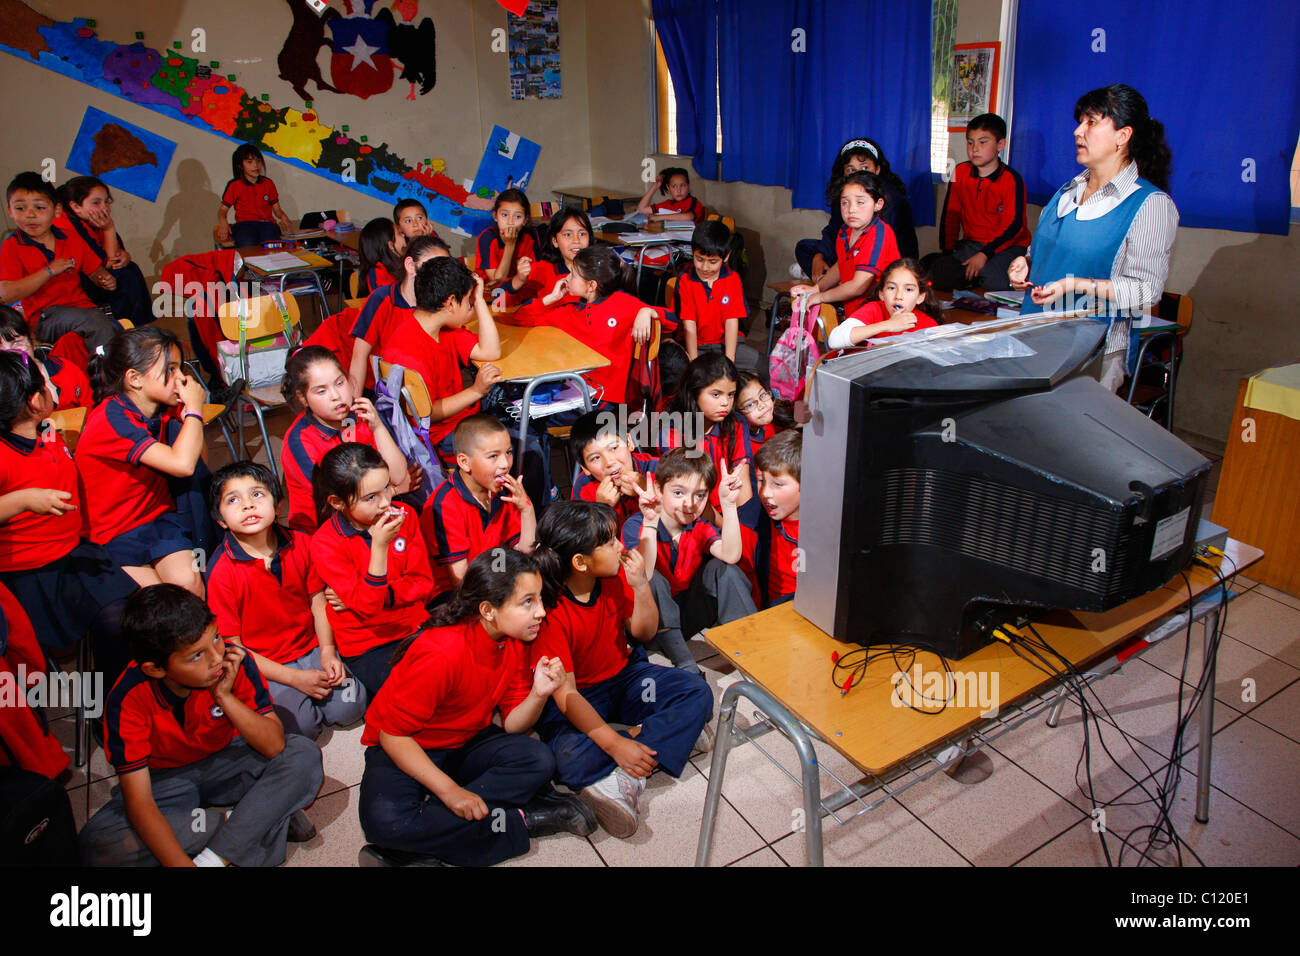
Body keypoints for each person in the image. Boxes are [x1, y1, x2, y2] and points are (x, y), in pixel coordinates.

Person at [357, 548, 596, 867]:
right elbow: (393, 737)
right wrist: (451, 792)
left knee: (537, 759)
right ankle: (525, 821)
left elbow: (512, 724)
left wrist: (539, 693)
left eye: (539, 600)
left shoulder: (511, 640)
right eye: (528, 602)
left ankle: (415, 848)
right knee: (384, 821)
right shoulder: (441, 653)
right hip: (407, 747)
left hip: (462, 740)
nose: (541, 612)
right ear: (488, 610)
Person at [79, 584, 323, 867]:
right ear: (155, 669)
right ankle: (252, 820)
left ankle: (217, 853)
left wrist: (225, 696)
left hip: (232, 760)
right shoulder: (127, 698)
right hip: (167, 780)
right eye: (196, 655)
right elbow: (141, 802)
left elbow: (274, 745)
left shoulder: (234, 659)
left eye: (216, 638)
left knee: (302, 754)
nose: (216, 658)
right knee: (99, 844)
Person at [532, 500, 712, 837]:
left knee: (697, 691)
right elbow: (566, 695)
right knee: (567, 758)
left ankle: (627, 769)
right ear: (580, 562)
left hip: (627, 678)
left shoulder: (614, 578)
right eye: (610, 541)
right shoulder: (550, 611)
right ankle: (662, 738)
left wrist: (641, 585)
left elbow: (643, 633)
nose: (621, 546)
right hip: (579, 698)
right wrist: (616, 744)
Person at [1009, 84, 1178, 393]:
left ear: (1122, 136)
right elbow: (1039, 251)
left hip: (1090, 349)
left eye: (1091, 122)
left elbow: (1147, 291)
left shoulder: (1150, 205)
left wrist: (1075, 285)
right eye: (1079, 121)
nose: (1078, 132)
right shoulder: (1067, 191)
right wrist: (1024, 263)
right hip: (1034, 332)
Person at [0, 350, 136, 680]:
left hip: (73, 553)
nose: (54, 387)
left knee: (133, 619)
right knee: (111, 624)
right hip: (27, 573)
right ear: (34, 401)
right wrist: (23, 500)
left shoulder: (46, 431)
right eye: (46, 383)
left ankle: (115, 698)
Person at [206, 461, 367, 738]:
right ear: (221, 520)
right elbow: (234, 647)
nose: (248, 505)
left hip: (311, 647)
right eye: (234, 500)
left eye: (257, 494)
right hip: (266, 664)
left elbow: (318, 601)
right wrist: (294, 679)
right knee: (301, 727)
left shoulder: (301, 543)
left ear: (277, 506)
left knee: (352, 706)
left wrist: (327, 651)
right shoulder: (220, 571)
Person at [74, 327, 207, 595]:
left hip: (157, 519)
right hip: (112, 533)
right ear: (134, 378)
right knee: (160, 601)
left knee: (188, 585)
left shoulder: (163, 407)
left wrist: (187, 416)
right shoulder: (111, 418)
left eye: (180, 368)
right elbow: (182, 465)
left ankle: (208, 637)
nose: (181, 378)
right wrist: (194, 410)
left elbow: (197, 462)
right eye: (170, 370)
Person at [309, 442, 433, 698]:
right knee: (411, 695)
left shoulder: (405, 514)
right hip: (366, 643)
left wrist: (374, 596)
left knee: (453, 675)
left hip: (413, 625)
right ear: (337, 502)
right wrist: (379, 548)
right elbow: (368, 606)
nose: (386, 502)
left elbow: (423, 582)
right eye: (370, 497)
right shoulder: (325, 543)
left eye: (387, 487)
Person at [621, 448, 756, 674]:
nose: (690, 503)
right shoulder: (636, 525)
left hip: (686, 614)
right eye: (678, 493)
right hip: (651, 626)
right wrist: (651, 524)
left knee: (725, 569)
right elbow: (645, 574)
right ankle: (685, 663)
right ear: (657, 489)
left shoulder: (698, 526)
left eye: (700, 495)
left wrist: (729, 506)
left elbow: (732, 555)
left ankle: (752, 644)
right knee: (654, 581)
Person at [380, 257, 503, 468]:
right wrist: (476, 391)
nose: (470, 309)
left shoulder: (441, 327)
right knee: (523, 442)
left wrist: (480, 300)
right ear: (451, 302)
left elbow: (491, 351)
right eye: (469, 302)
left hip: (461, 417)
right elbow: (427, 413)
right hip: (440, 437)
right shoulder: (408, 351)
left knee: (525, 418)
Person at [280, 345, 412, 532]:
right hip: (326, 530)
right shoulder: (299, 442)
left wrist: (378, 427)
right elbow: (342, 501)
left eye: (340, 383)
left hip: (369, 512)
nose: (336, 396)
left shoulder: (358, 415)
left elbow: (399, 475)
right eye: (321, 391)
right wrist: (392, 490)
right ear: (302, 398)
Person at [421, 414, 536, 603]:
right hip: (455, 595)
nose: (505, 464)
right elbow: (460, 580)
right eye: (493, 456)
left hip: (498, 579)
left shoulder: (506, 492)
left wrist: (526, 510)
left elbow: (526, 552)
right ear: (464, 462)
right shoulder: (445, 505)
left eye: (508, 452)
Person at [0, 172, 120, 352]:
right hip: (44, 317)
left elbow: (94, 271)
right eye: (20, 208)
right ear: (9, 210)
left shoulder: (70, 238)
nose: (30, 215)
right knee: (98, 324)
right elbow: (7, 294)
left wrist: (105, 279)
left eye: (39, 208)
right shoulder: (12, 246)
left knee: (117, 328)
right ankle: (111, 378)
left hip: (83, 310)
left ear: (56, 210)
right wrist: (49, 271)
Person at [927, 114, 1031, 292]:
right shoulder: (961, 171)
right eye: (970, 142)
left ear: (1000, 145)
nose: (975, 149)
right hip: (972, 245)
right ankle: (970, 277)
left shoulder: (1011, 179)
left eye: (983, 142)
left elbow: (1014, 227)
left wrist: (984, 254)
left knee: (994, 279)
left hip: (1006, 247)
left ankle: (973, 277)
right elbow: (950, 215)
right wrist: (947, 253)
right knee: (934, 270)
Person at [795, 138, 918, 280]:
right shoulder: (846, 192)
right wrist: (819, 256)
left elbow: (877, 248)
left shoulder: (889, 200)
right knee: (805, 247)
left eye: (865, 168)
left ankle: (837, 285)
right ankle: (828, 279)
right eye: (851, 170)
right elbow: (834, 231)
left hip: (883, 265)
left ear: (877, 169)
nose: (859, 175)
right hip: (852, 253)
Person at [664, 353, 758, 527]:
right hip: (692, 514)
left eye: (731, 395)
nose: (725, 403)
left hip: (729, 510)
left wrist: (744, 529)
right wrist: (729, 532)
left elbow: (742, 481)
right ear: (694, 392)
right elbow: (691, 497)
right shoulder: (673, 429)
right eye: (716, 394)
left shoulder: (736, 424)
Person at [347, 234, 449, 395]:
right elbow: (359, 356)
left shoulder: (442, 303)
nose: (438, 276)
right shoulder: (381, 299)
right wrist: (354, 408)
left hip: (428, 389)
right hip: (386, 392)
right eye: (432, 266)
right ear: (410, 265)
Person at [790, 171, 901, 316]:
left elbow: (858, 287)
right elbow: (841, 266)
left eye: (860, 202)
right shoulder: (845, 232)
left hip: (882, 315)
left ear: (878, 204)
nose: (851, 209)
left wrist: (821, 297)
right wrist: (817, 289)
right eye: (845, 202)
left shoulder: (878, 233)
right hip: (857, 312)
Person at [54, 175, 153, 326]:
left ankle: (140, 326)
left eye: (106, 201)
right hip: (73, 283)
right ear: (75, 207)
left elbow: (116, 255)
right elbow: (107, 263)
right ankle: (130, 329)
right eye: (96, 203)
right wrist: (109, 228)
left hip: (97, 275)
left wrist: (125, 256)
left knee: (130, 268)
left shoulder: (92, 221)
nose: (104, 207)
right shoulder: (67, 225)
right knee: (124, 276)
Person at [673, 219, 756, 367]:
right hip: (694, 346)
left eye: (713, 262)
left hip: (723, 345)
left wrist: (729, 362)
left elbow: (731, 322)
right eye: (699, 259)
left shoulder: (733, 279)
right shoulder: (685, 279)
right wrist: (694, 362)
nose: (705, 267)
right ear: (692, 252)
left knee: (762, 365)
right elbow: (689, 326)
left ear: (726, 257)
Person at [826, 257, 942, 350]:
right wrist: (888, 325)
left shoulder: (927, 324)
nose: (898, 296)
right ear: (881, 293)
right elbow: (835, 340)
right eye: (891, 288)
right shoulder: (874, 309)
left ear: (920, 297)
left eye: (908, 289)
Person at [568, 410, 658, 527]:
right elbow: (582, 538)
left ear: (629, 442)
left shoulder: (657, 469)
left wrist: (647, 489)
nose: (609, 462)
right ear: (585, 468)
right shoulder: (583, 487)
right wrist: (601, 510)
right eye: (595, 458)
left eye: (614, 448)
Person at [0, 305, 91, 411]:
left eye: (16, 342)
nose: (10, 353)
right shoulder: (5, 396)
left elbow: (92, 410)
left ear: (32, 342)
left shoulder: (64, 369)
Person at [752, 429, 802, 607]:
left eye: (778, 484)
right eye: (761, 480)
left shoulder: (825, 528)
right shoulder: (757, 518)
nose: (765, 493)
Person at [511, 205, 590, 316]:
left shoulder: (598, 271)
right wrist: (550, 298)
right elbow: (516, 313)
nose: (576, 240)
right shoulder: (540, 270)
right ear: (555, 241)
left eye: (582, 234)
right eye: (568, 234)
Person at [216, 143, 293, 247]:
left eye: (258, 161)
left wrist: (283, 217)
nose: (255, 165)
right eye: (249, 162)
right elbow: (223, 210)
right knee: (247, 242)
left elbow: (277, 209)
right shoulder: (235, 185)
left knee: (270, 241)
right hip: (244, 225)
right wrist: (223, 222)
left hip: (267, 223)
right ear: (240, 165)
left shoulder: (268, 183)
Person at [475, 188, 538, 296]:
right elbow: (498, 280)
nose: (510, 222)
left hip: (518, 290)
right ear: (495, 216)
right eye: (504, 215)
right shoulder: (487, 238)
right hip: (489, 295)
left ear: (525, 220)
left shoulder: (528, 237)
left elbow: (530, 274)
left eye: (517, 216)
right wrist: (510, 244)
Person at [355, 217, 405, 297]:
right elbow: (388, 300)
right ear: (391, 245)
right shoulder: (377, 272)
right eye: (399, 233)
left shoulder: (396, 264)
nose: (403, 235)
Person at [636, 167, 705, 223]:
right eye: (674, 186)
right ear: (668, 187)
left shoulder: (694, 202)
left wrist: (658, 217)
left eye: (682, 185)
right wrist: (655, 187)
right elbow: (641, 210)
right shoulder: (667, 204)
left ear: (688, 186)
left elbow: (689, 217)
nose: (678, 190)